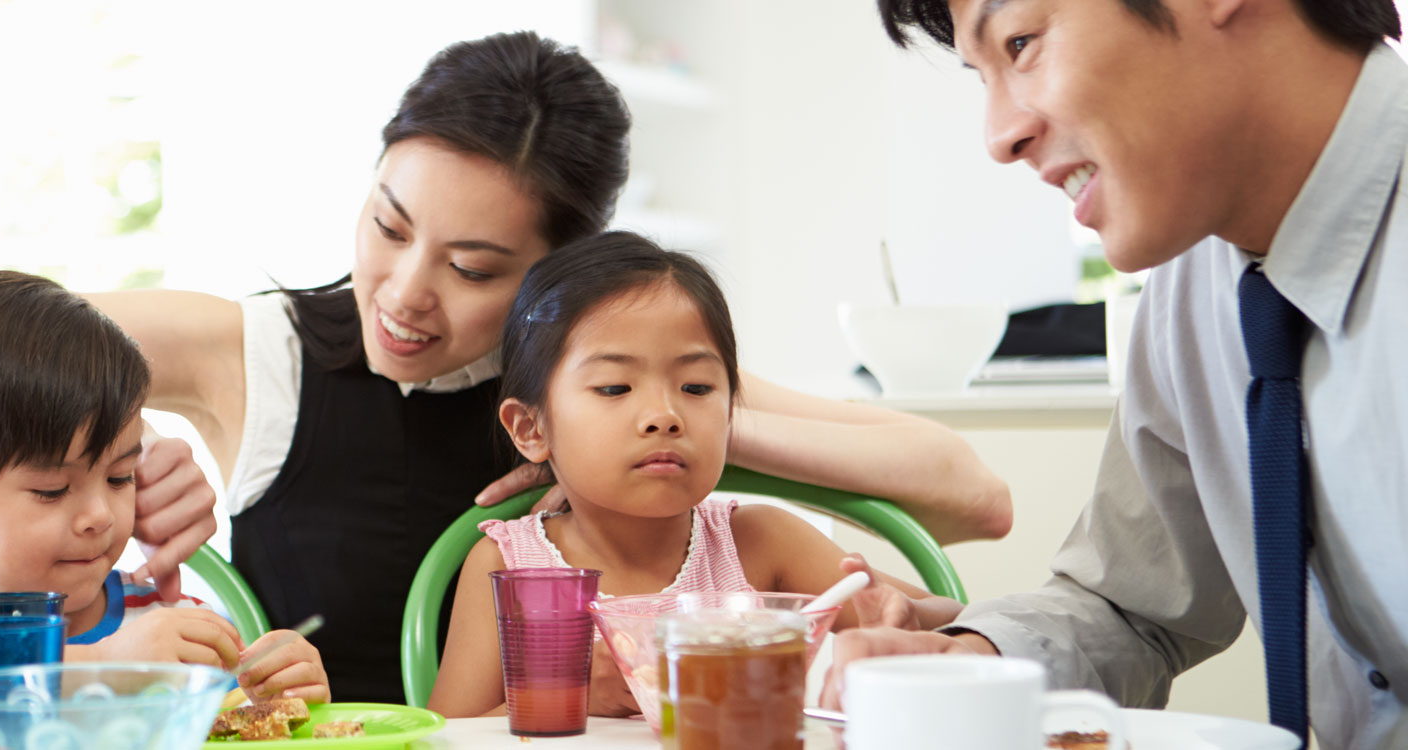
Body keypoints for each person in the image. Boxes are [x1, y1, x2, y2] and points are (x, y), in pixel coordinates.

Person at [83, 30, 1010, 703]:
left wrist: (675, 423)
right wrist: (119, 446)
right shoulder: (257, 352)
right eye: (388, 225)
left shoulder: (611, 375)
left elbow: (973, 497)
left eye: (473, 268)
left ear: (560, 274)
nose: (404, 293)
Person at [831, 0, 1408, 747]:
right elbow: (1133, 607)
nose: (1001, 137)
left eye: (1021, 43)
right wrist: (972, 661)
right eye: (984, 75)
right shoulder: (1190, 293)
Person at [428, 232, 964, 718]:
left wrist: (907, 616)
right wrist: (571, 695)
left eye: (697, 388)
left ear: (730, 410)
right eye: (615, 388)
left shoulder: (761, 543)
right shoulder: (510, 568)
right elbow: (448, 735)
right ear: (530, 428)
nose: (665, 415)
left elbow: (963, 625)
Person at [0, 271, 328, 706]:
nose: (101, 515)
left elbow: (236, 717)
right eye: (51, 490)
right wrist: (98, 665)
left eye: (119, 478)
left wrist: (276, 691)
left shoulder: (166, 624)